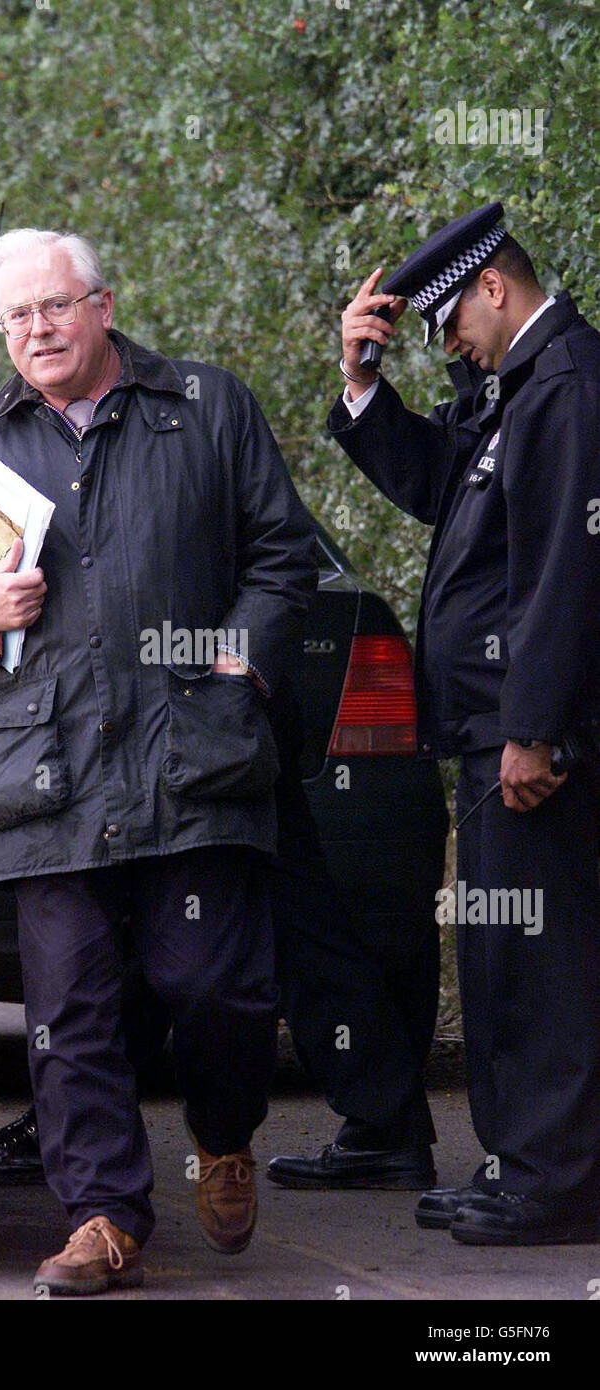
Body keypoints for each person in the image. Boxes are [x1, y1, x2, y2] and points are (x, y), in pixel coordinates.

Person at [0, 356, 440, 1197]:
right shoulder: (10, 477)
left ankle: (373, 1118)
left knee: (272, 934)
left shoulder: (37, 476)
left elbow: (15, 639)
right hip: (156, 750)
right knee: (184, 951)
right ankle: (367, 1119)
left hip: (202, 742)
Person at [0, 227, 318, 1295]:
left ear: (103, 305)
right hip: (44, 768)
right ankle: (102, 1218)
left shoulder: (207, 407)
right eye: (16, 318)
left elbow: (282, 558)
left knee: (213, 985)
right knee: (71, 1009)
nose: (36, 331)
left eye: (54, 308)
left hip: (192, 756)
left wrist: (241, 662)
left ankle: (224, 1132)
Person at [328, 201, 600, 1246]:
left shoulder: (567, 387)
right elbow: (439, 483)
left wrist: (537, 727)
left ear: (494, 286)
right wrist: (363, 385)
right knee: (501, 956)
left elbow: (566, 577)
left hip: (527, 737)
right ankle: (522, 1160)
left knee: (541, 959)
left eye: (450, 326)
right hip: (496, 729)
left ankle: (554, 1179)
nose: (451, 345)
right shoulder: (514, 392)